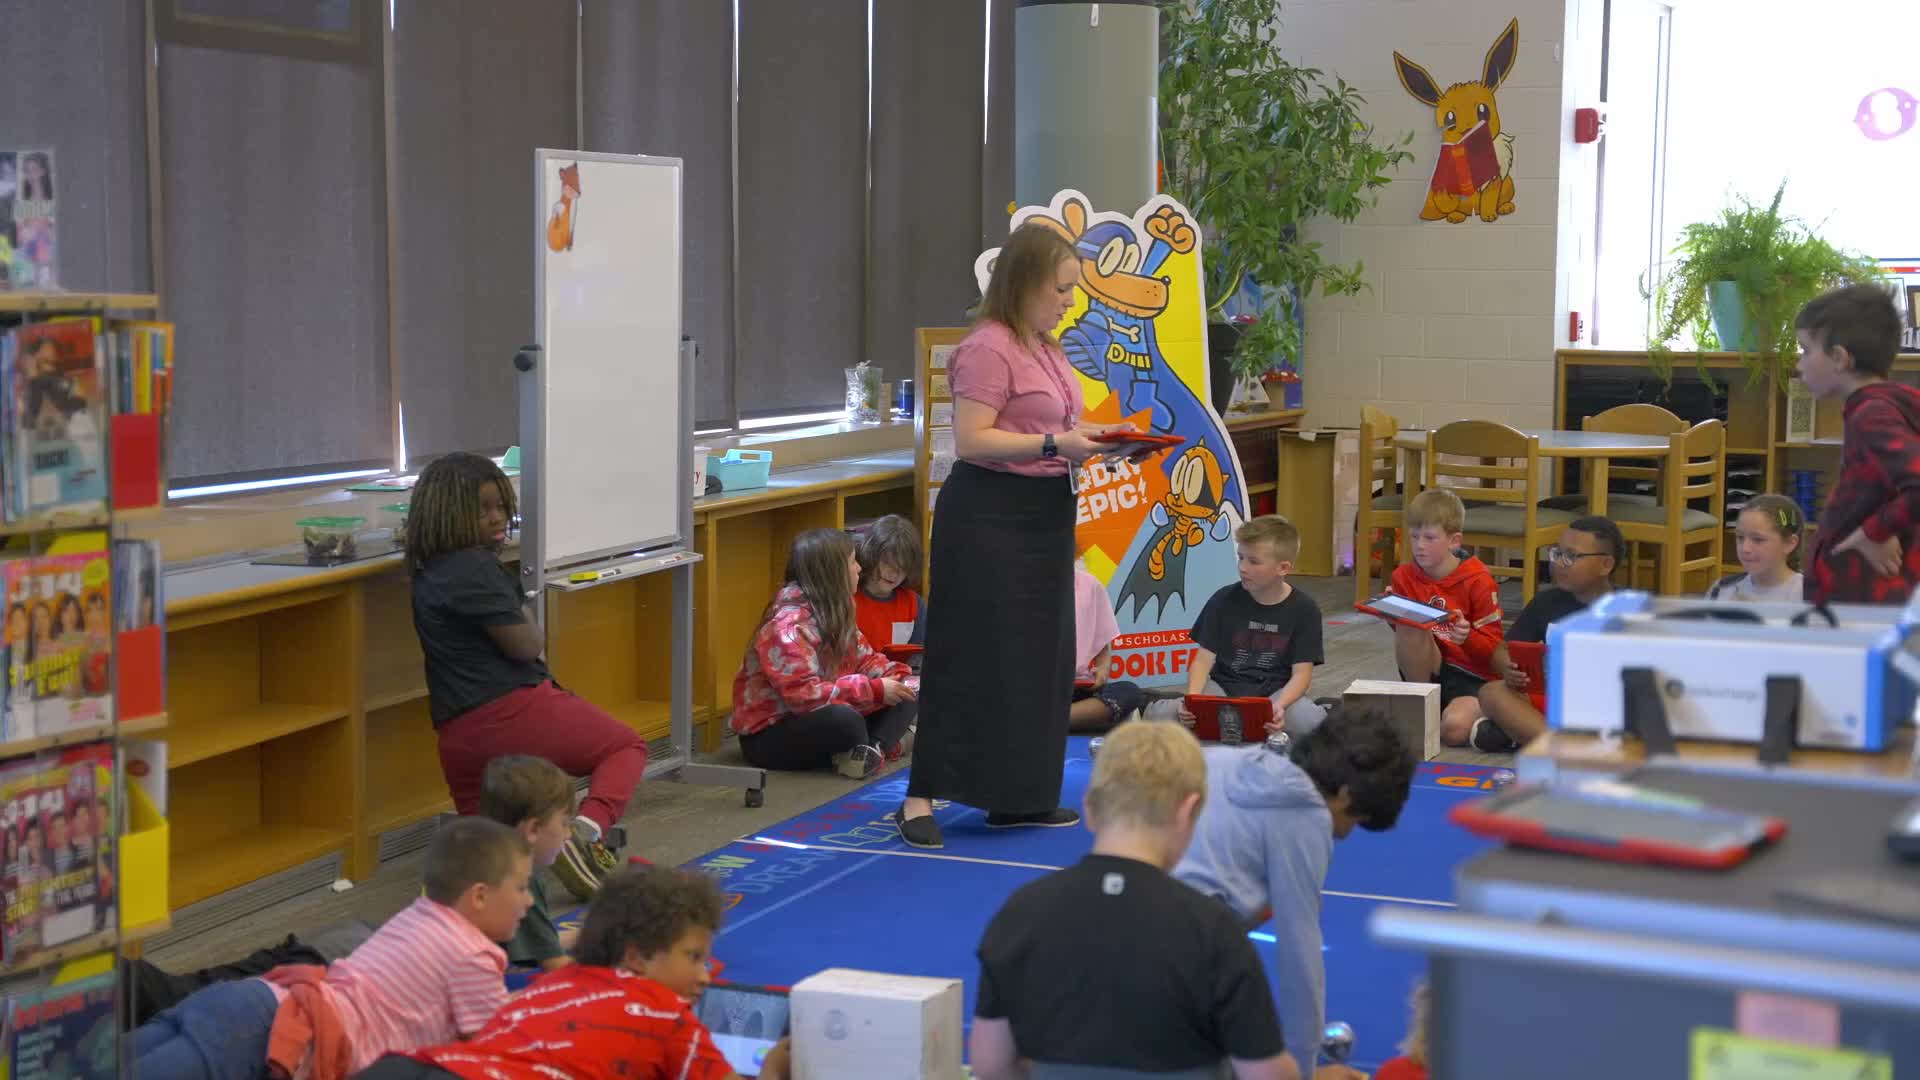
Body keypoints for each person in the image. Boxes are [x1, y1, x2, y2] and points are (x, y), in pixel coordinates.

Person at [896, 221, 1138, 850]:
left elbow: (1053, 425)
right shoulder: (988, 347)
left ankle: (1018, 795)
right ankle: (920, 796)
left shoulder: (1045, 346)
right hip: (989, 514)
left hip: (1044, 512)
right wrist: (1058, 444)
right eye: (1061, 288)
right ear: (1025, 283)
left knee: (1038, 661)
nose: (1069, 301)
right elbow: (973, 440)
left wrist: (1104, 443)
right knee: (970, 655)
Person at [970, 720, 1300, 1080]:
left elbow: (991, 1066)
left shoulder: (1021, 912)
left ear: (1090, 808)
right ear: (1188, 811)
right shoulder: (1213, 929)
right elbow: (1266, 1075)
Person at [407, 451, 646, 902]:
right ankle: (585, 833)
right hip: (514, 710)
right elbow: (526, 645)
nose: (497, 518)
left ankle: (457, 899)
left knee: (488, 852)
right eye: (483, 509)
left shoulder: (425, 572)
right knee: (624, 747)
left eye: (501, 506)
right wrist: (521, 604)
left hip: (457, 735)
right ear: (450, 514)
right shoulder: (477, 567)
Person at [132, 817, 531, 1080]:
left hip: (254, 1000)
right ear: (479, 896)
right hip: (264, 1035)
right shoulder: (476, 956)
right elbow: (496, 1050)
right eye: (522, 888)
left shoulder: (419, 914)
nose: (529, 901)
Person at [357, 865, 789, 1080]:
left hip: (406, 1068)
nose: (705, 976)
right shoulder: (665, 1012)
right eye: (693, 957)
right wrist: (774, 1066)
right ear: (636, 957)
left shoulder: (558, 982)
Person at [1172, 705, 1415, 1080]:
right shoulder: (1308, 814)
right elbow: (1299, 953)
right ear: (1346, 795)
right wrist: (1303, 1069)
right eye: (1355, 820)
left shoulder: (1221, 759)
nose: (1345, 834)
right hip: (1169, 977)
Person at [731, 528, 918, 777]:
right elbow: (804, 697)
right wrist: (874, 689)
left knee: (909, 691)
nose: (859, 568)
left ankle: (869, 751)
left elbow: (865, 659)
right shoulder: (788, 626)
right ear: (832, 573)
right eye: (853, 562)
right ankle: (882, 746)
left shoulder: (838, 607)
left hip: (823, 710)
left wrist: (898, 676)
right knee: (846, 721)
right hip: (772, 732)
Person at [1793, 283, 1920, 606]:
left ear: (1839, 358)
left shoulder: (1872, 414)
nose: (1799, 364)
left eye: (1806, 351)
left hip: (1863, 605)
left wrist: (1874, 531)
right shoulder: (1886, 406)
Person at [1469, 516, 1622, 750]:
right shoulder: (1546, 601)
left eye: (1571, 556)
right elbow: (1502, 649)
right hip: (1553, 701)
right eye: (1557, 553)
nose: (1559, 563)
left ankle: (1520, 735)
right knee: (1492, 692)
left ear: (1606, 565)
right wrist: (1508, 668)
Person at [1181, 516, 1329, 738]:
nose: (1242, 568)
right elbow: (1203, 660)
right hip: (1223, 690)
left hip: (1275, 693)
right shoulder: (1223, 599)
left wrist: (1280, 706)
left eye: (1254, 561)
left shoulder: (1305, 609)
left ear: (1283, 568)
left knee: (1310, 722)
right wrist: (1192, 699)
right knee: (1163, 715)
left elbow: (1301, 674)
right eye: (1240, 558)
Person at [1379, 490, 1503, 738]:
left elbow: (1494, 654)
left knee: (1454, 730)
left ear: (1454, 541)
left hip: (1473, 677)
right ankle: (1421, 707)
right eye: (1414, 536)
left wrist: (1466, 637)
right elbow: (1408, 641)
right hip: (1429, 671)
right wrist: (1392, 615)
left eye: (1429, 538)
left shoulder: (1478, 580)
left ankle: (1491, 716)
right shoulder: (1403, 576)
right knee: (1410, 621)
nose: (1419, 546)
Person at [479, 755, 580, 972]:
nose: (568, 834)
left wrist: (581, 936)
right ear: (533, 829)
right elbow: (558, 967)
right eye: (564, 823)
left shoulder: (474, 854)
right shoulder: (518, 877)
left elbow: (539, 945)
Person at [1069, 563, 1146, 731]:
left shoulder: (1090, 585)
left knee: (1129, 691)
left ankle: (1051, 720)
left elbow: (1102, 649)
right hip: (1037, 690)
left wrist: (1102, 670)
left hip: (1080, 689)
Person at [1705, 494, 1804, 603]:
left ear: (1789, 544)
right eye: (1740, 537)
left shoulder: (1808, 596)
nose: (1745, 548)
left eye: (1758, 540)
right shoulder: (1722, 590)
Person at [853, 514, 927, 659]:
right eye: (887, 563)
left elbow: (918, 659)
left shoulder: (914, 605)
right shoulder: (848, 599)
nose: (894, 573)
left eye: (903, 567)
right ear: (870, 555)